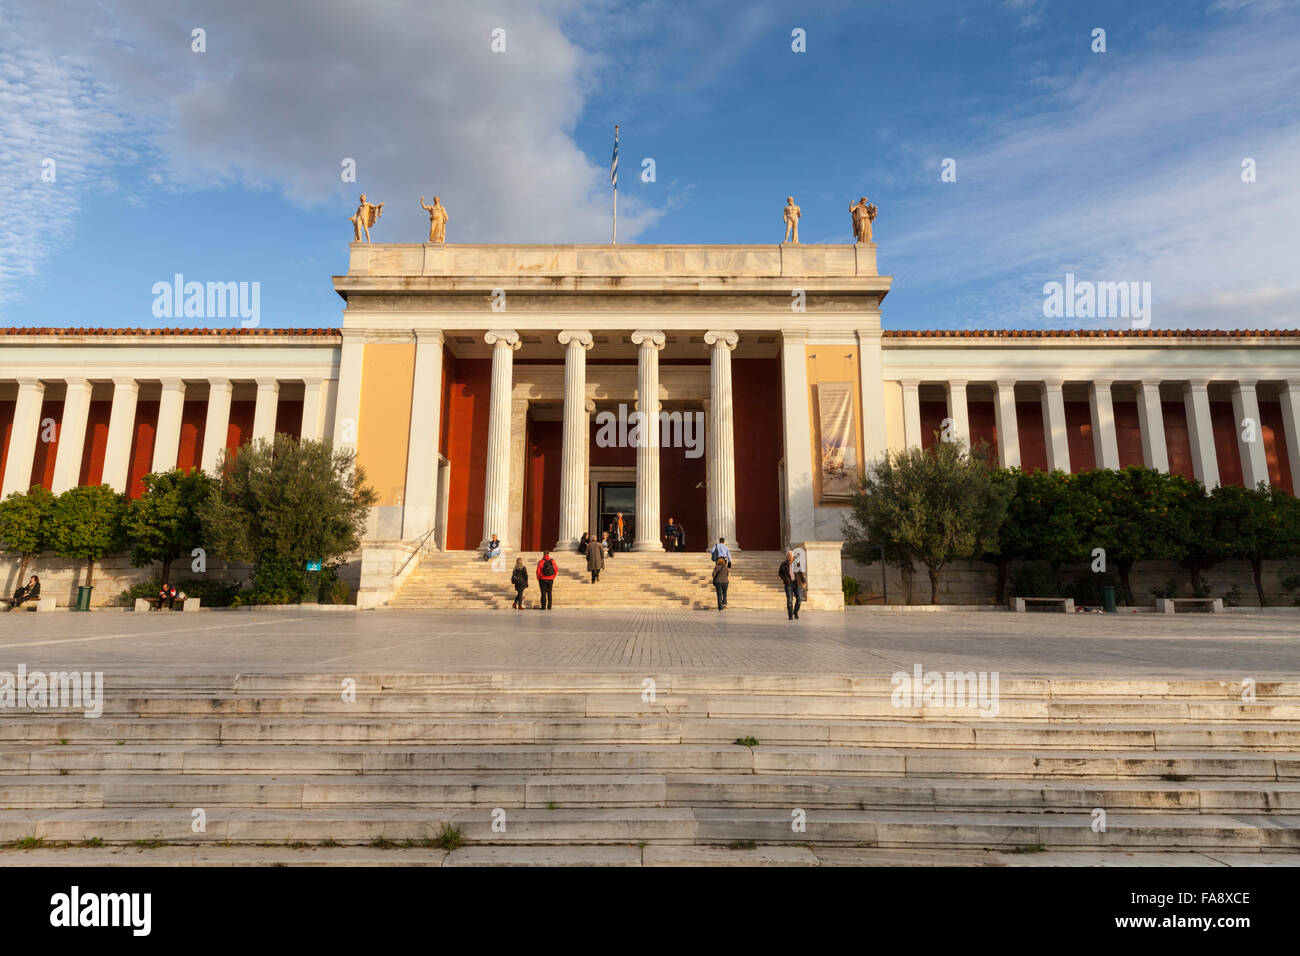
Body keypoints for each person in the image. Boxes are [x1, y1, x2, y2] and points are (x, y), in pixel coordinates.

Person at [778, 550, 806, 620]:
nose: (790, 557)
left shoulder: (797, 563)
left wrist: (804, 582)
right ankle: (790, 615)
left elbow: (801, 573)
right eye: (788, 556)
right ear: (787, 557)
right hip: (789, 584)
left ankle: (795, 612)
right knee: (789, 600)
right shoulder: (783, 564)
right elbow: (780, 573)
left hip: (797, 583)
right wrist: (785, 579)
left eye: (791, 556)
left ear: (793, 556)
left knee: (799, 599)